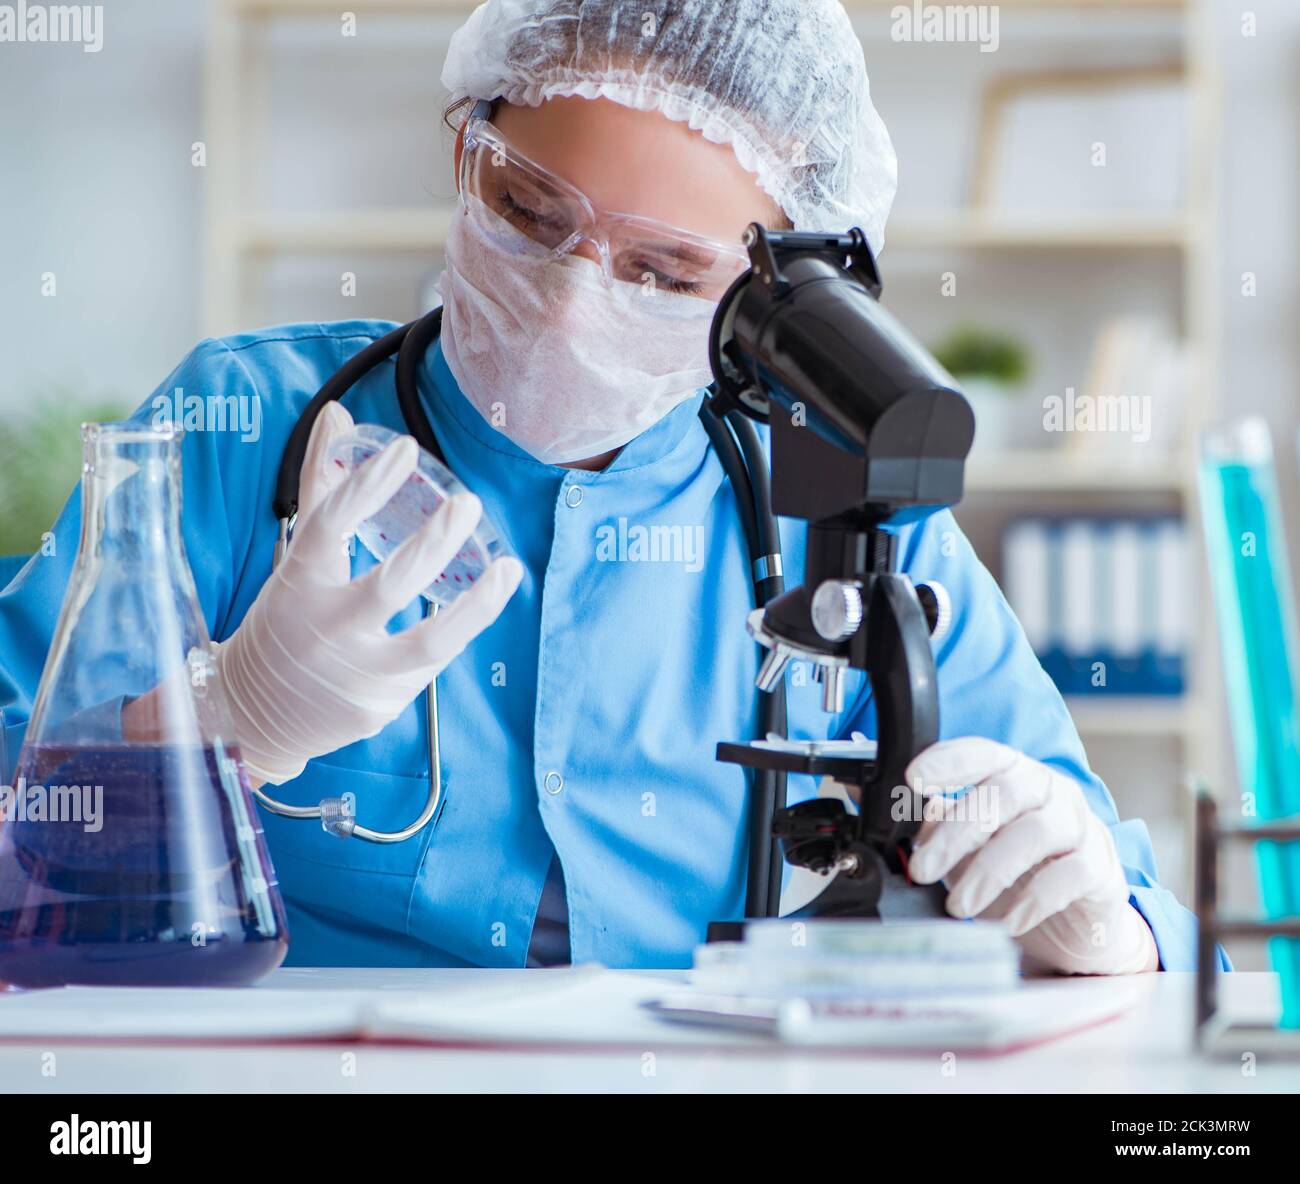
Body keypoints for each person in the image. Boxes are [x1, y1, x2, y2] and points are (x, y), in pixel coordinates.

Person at [0, 0, 1215, 974]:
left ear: (771, 297)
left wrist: (1103, 924)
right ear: (462, 149)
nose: (571, 300)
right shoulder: (241, 429)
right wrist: (218, 724)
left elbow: (1105, 871)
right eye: (528, 210)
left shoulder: (835, 501)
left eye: (663, 272)